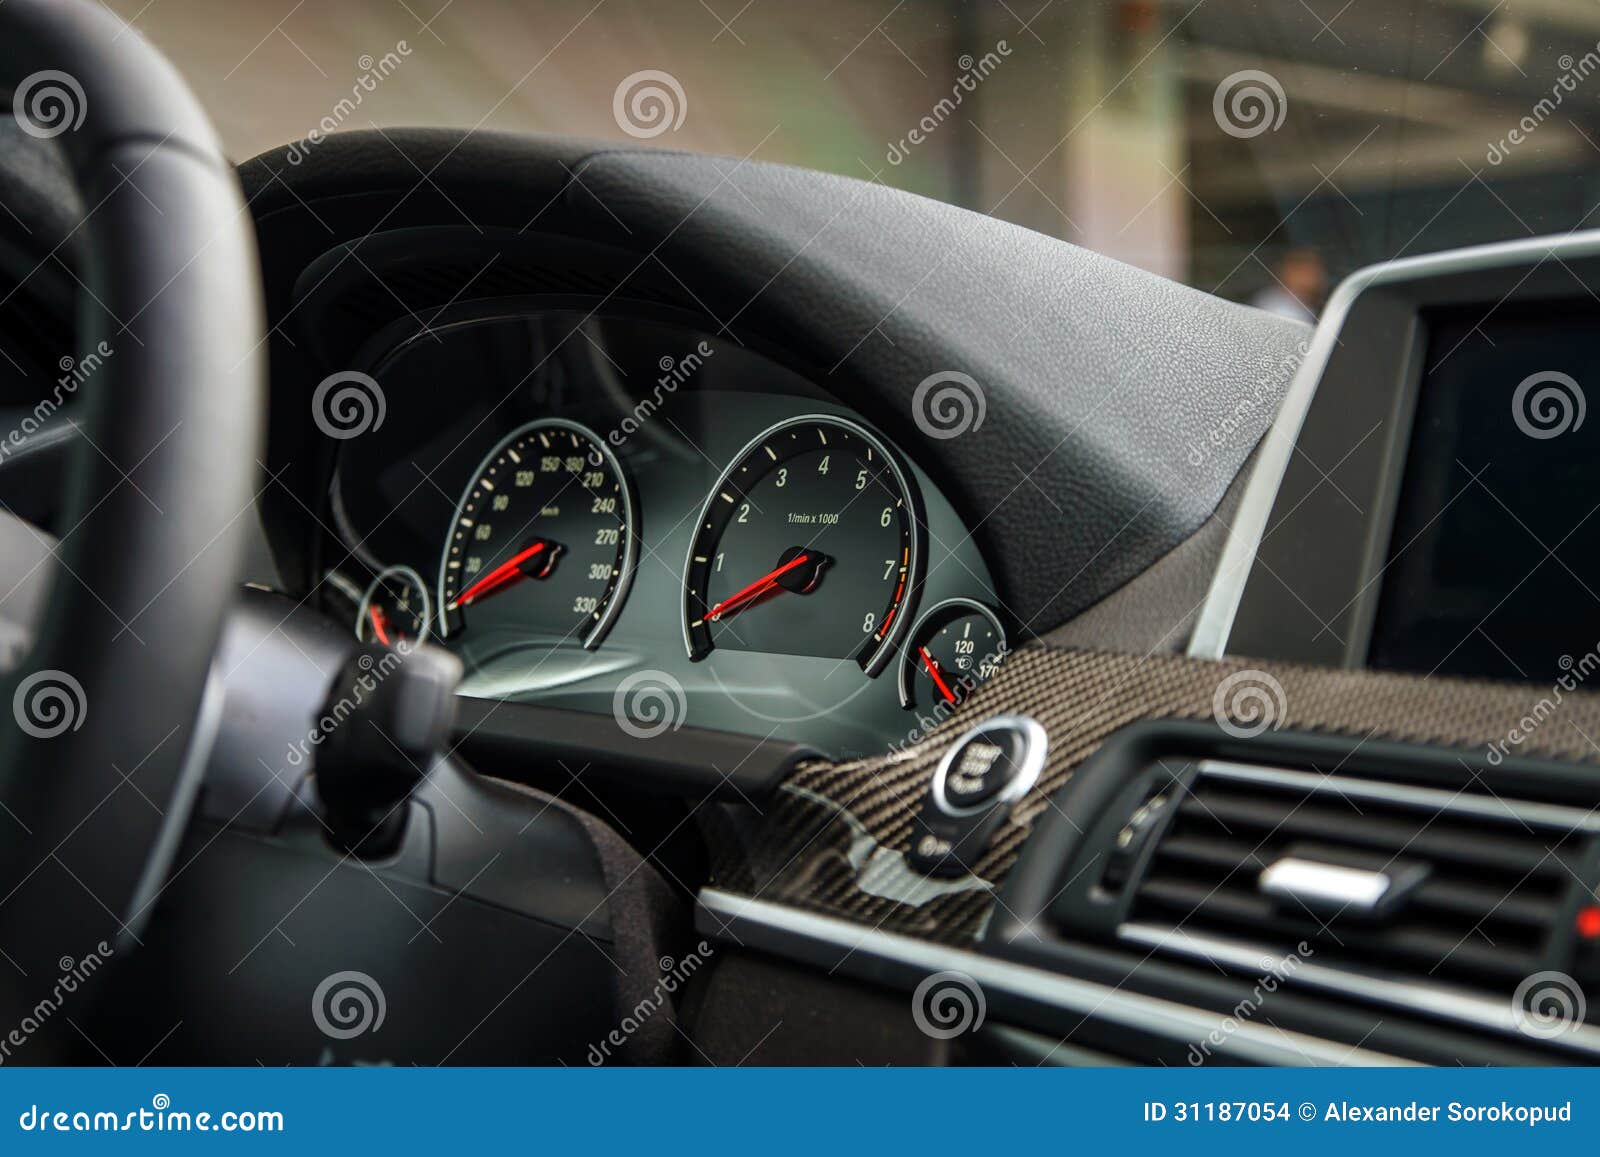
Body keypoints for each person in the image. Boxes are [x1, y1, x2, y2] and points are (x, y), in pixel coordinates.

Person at [1251, 246, 1328, 323]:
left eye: (1317, 268)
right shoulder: (1275, 307)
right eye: (1306, 271)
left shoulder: (1309, 304)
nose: (1318, 276)